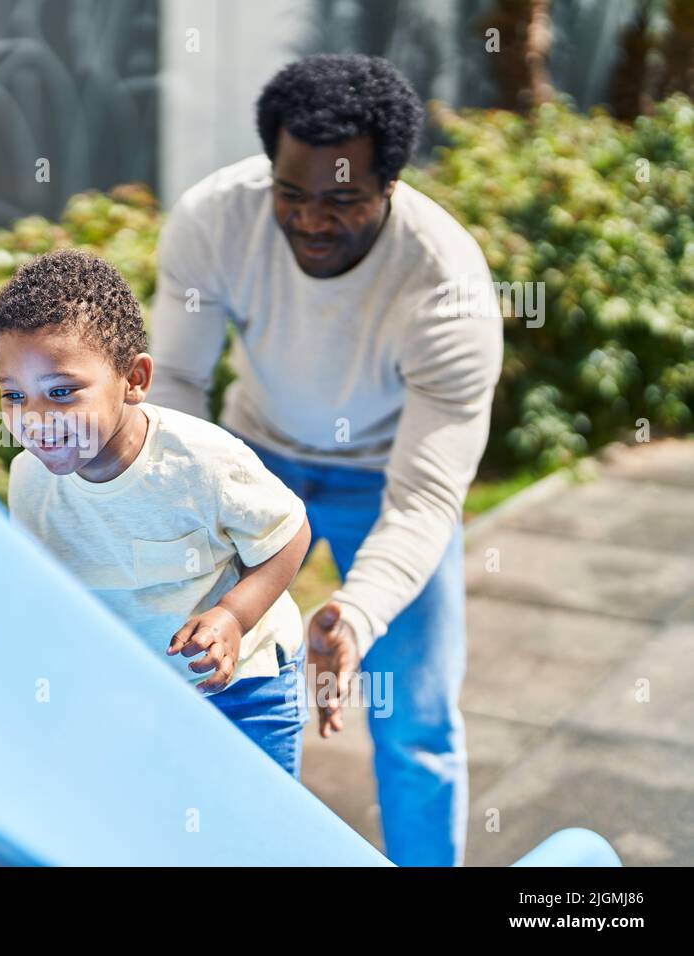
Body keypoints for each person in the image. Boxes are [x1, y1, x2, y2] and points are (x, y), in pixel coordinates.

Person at [146, 54, 503, 865]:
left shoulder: (449, 287)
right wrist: (180, 512)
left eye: (342, 199)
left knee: (416, 721)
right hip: (253, 457)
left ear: (390, 187)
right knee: (208, 680)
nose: (310, 220)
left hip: (387, 478)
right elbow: (174, 379)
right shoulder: (215, 219)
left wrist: (357, 615)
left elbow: (424, 500)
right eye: (292, 194)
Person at [0, 248, 314, 777]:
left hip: (245, 686)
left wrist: (233, 617)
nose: (35, 419)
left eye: (61, 392)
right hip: (135, 691)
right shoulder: (29, 480)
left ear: (135, 379)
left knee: (256, 836)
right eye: (13, 395)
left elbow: (288, 533)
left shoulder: (202, 462)